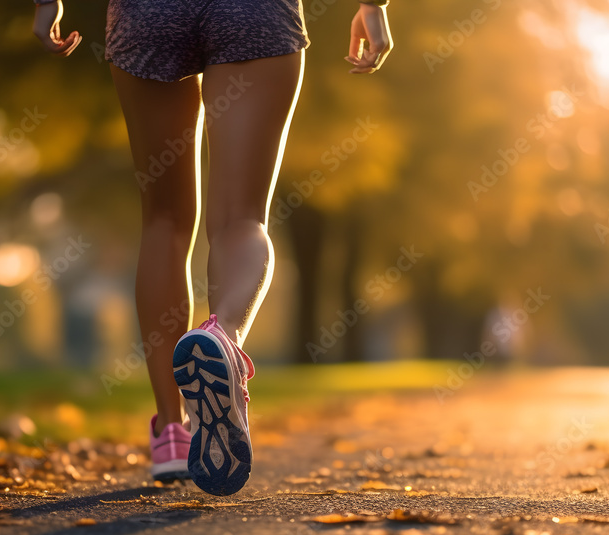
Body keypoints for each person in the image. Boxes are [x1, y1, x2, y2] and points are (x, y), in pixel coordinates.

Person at [33, 0, 392, 495]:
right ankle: (223, 335)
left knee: (163, 222)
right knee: (240, 219)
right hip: (255, 13)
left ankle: (171, 434)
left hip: (148, 15)